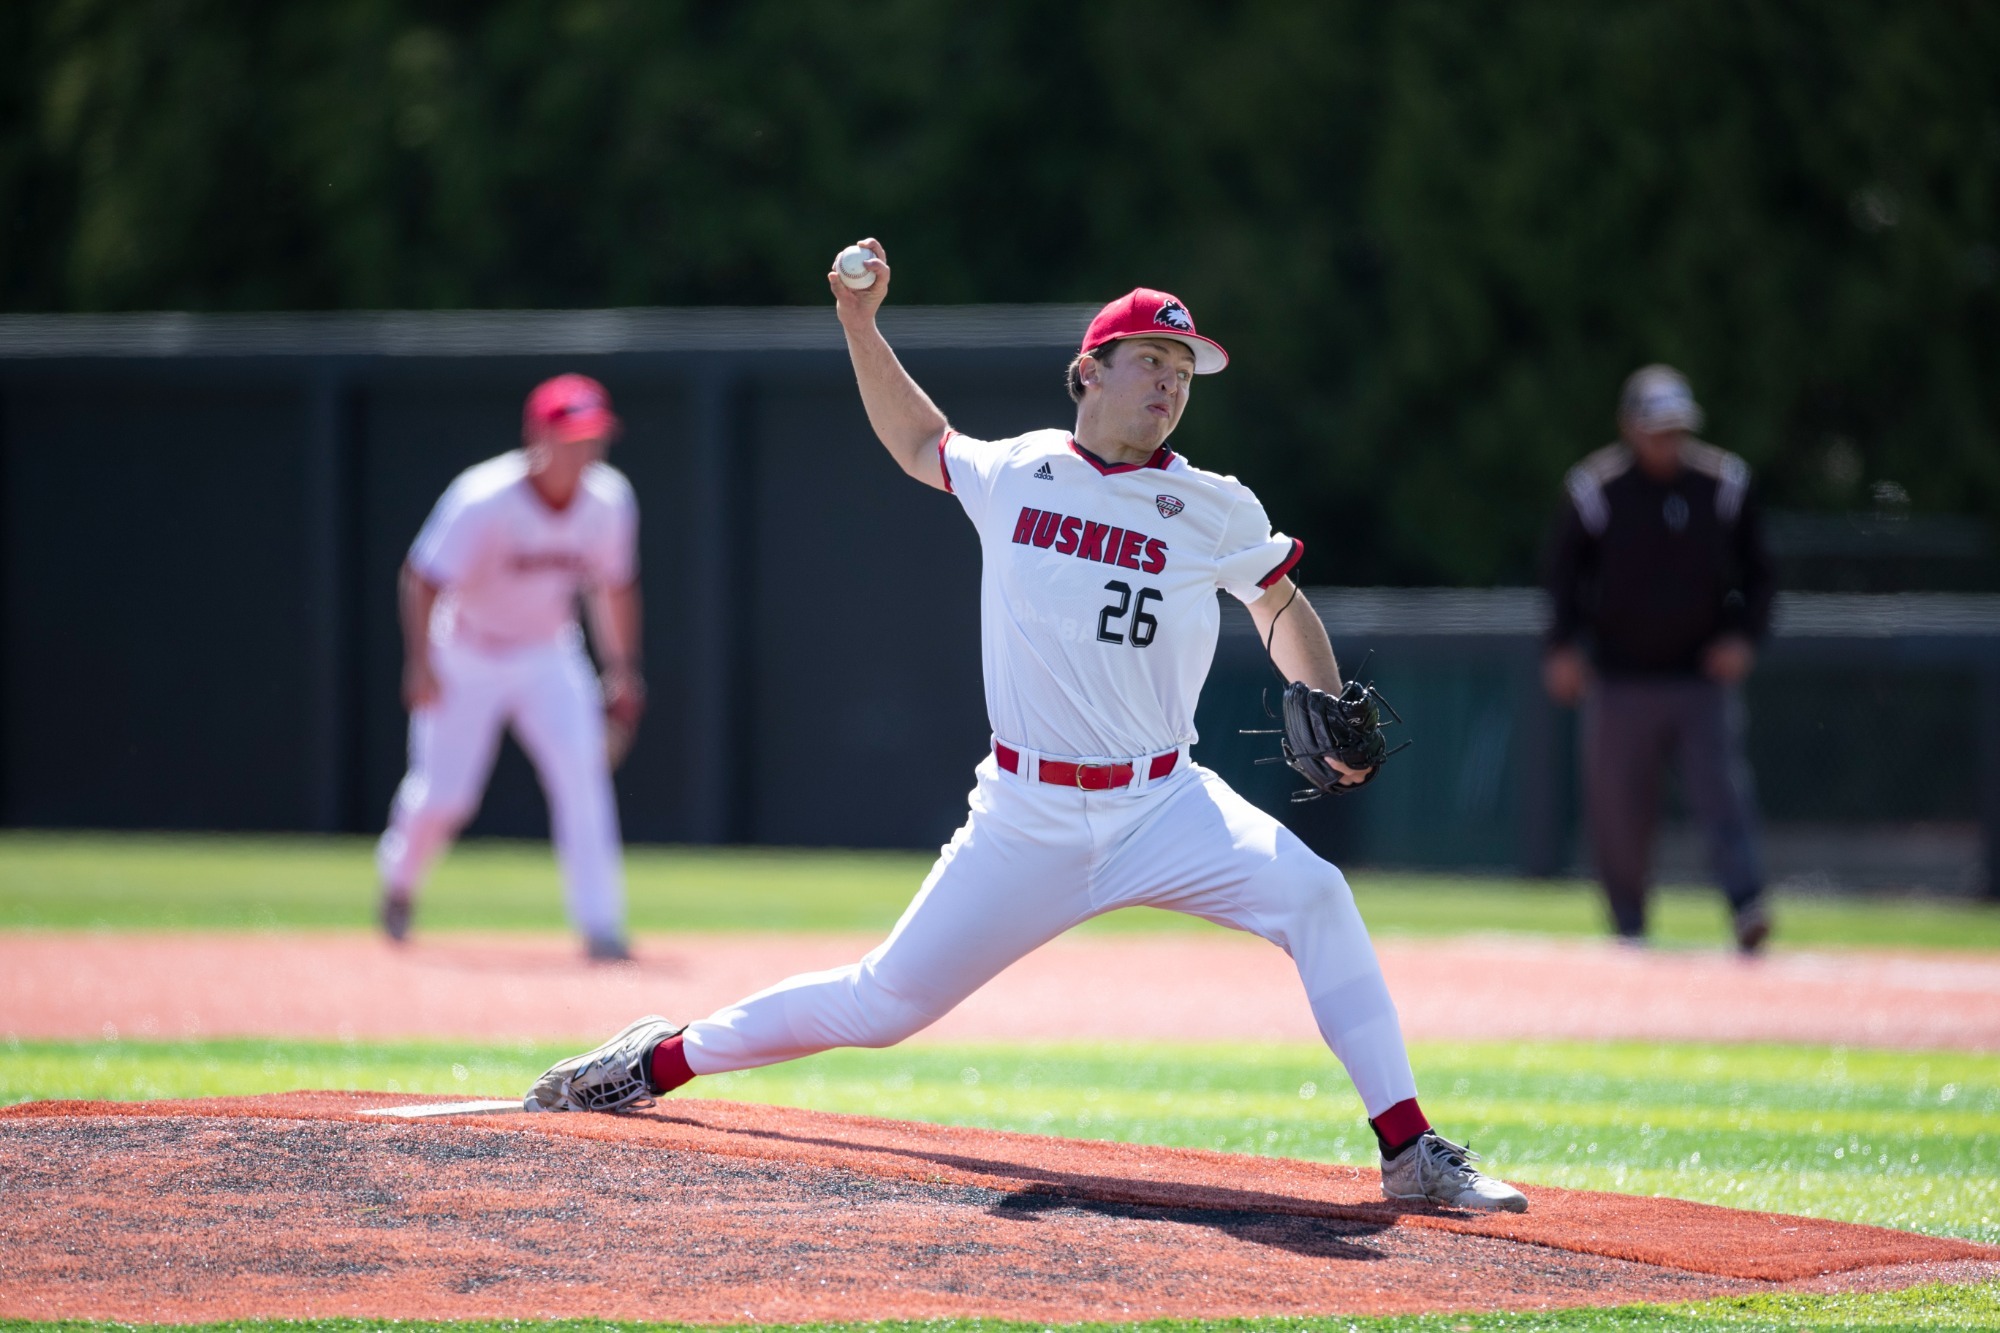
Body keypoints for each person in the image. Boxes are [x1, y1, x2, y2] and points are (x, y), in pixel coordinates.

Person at [522, 240, 1527, 1214]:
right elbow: (918, 441)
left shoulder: (1211, 505)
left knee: (1314, 893)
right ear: (1086, 371)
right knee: (880, 1007)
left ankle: (1407, 1148)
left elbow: (1275, 601)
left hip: (1165, 803)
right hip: (1027, 814)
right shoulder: (1018, 473)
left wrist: (1323, 690)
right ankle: (653, 1059)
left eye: (1183, 369)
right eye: (1151, 361)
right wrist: (857, 322)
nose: (1170, 383)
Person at [376, 373, 646, 961]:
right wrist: (421, 663)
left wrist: (621, 666)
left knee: (583, 779)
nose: (583, 451)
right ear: (536, 434)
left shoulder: (609, 500)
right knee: (445, 797)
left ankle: (601, 927)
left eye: (593, 437)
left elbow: (613, 588)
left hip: (549, 653)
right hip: (466, 651)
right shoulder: (483, 497)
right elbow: (421, 579)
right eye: (572, 435)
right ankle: (398, 883)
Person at [1542, 365, 1777, 954]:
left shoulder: (1722, 485)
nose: (1667, 443)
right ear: (1629, 428)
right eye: (1655, 431)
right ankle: (1629, 924)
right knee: (1618, 807)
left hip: (1699, 676)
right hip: (1620, 679)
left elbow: (1762, 572)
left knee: (1722, 793)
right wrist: (1563, 647)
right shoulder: (1597, 491)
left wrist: (1745, 637)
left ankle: (1747, 904)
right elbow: (1562, 577)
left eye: (1676, 430)